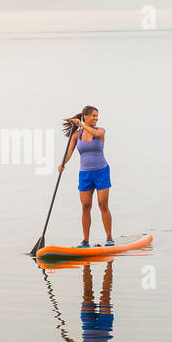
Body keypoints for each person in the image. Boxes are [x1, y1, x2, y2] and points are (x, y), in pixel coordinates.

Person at [57, 105, 112, 247]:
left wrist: (81, 124)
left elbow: (98, 135)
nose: (96, 118)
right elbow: (69, 152)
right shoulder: (76, 135)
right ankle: (86, 241)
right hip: (85, 174)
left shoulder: (100, 131)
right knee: (85, 206)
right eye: (93, 115)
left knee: (103, 204)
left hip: (101, 172)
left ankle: (109, 238)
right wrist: (62, 163)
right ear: (85, 116)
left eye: (97, 116)